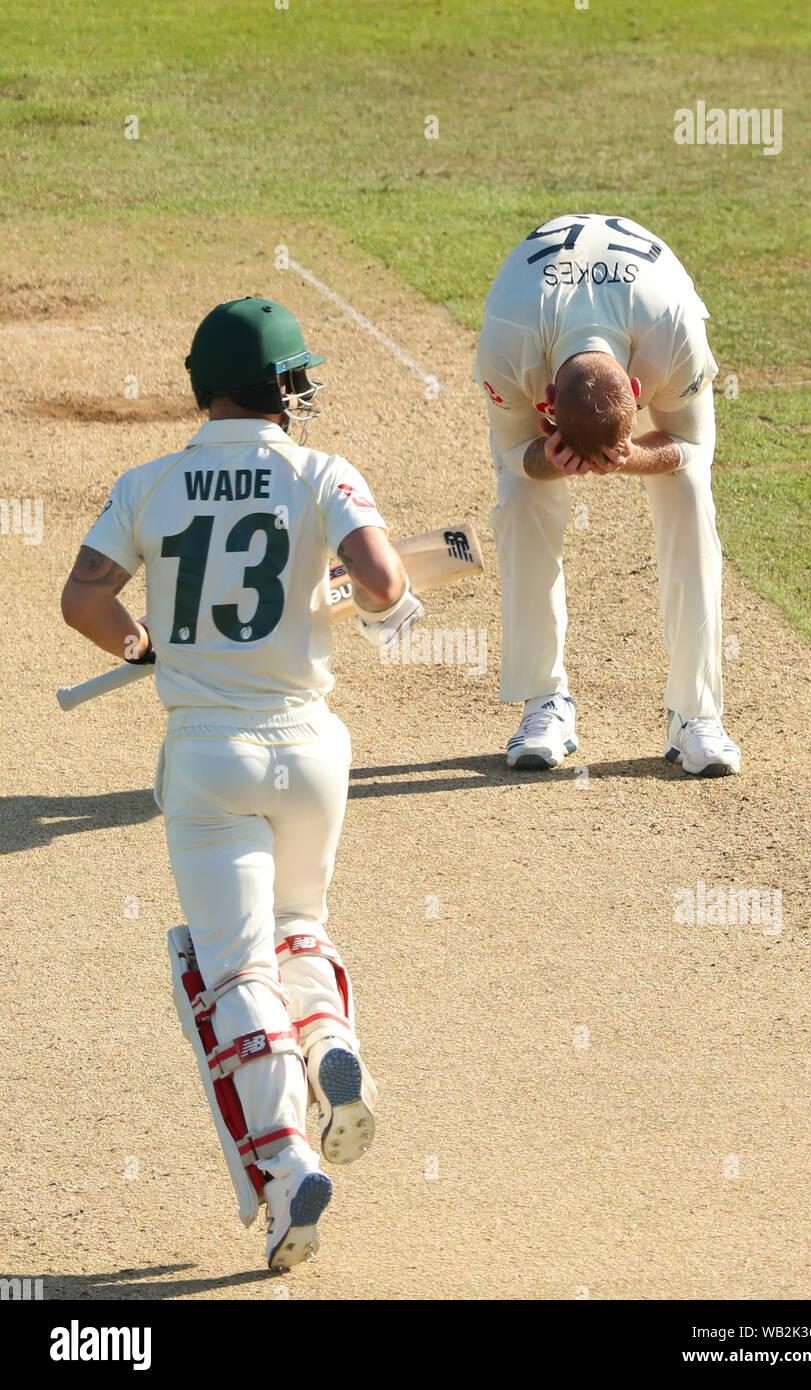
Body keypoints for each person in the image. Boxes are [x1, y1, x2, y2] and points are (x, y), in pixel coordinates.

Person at [61, 297, 423, 1271]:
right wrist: (388, 601)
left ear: (201, 383)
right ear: (281, 389)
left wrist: (142, 643)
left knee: (232, 972)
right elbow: (383, 581)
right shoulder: (323, 473)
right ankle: (330, 1047)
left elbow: (84, 598)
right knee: (299, 926)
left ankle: (286, 1167)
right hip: (311, 749)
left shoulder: (149, 483)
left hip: (207, 755)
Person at [474, 213, 741, 776]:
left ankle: (695, 712)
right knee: (521, 497)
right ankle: (544, 700)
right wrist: (546, 461)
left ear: (639, 390)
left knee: (689, 488)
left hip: (647, 292)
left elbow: (695, 447)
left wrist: (638, 457)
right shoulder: (509, 338)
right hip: (540, 298)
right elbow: (510, 456)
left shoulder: (673, 330)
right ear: (545, 399)